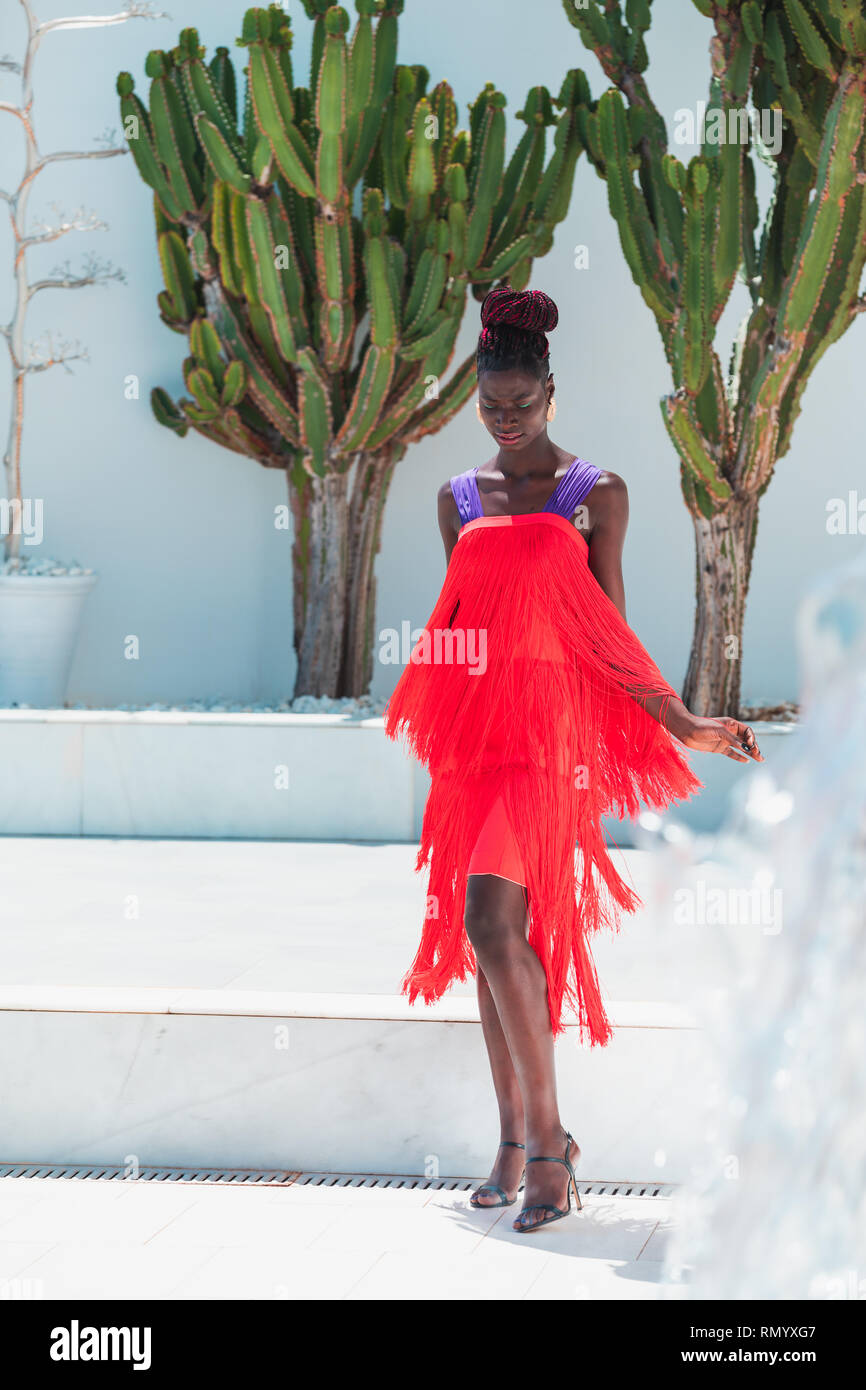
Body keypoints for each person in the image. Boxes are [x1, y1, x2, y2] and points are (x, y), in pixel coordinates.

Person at [384, 286, 763, 1234]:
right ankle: (513, 1142)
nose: (505, 421)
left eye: (521, 403)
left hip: (550, 738)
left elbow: (607, 630)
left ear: (551, 393)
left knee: (492, 916)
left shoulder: (595, 494)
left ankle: (552, 1147)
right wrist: (431, 708)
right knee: (490, 937)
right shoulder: (457, 498)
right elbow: (459, 618)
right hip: (476, 739)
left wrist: (682, 723)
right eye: (490, 406)